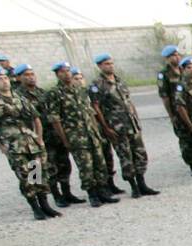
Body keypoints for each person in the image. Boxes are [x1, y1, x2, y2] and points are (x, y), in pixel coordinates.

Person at [0, 66, 60, 219]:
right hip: (13, 144)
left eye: (5, 78)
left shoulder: (19, 97)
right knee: (25, 176)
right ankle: (35, 208)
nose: (4, 82)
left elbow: (35, 117)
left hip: (30, 141)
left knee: (37, 173)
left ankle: (45, 204)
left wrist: (39, 138)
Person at [49, 62, 118, 205]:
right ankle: (91, 194)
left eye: (68, 71)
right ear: (57, 74)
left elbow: (90, 112)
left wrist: (97, 131)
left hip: (91, 133)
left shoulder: (80, 89)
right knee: (85, 166)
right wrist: (65, 139)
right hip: (76, 136)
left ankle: (102, 191)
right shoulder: (55, 93)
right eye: (62, 71)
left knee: (99, 163)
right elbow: (55, 119)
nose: (66, 74)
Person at [13, 63, 80, 207]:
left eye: (32, 74)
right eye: (26, 75)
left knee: (64, 164)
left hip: (54, 136)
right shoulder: (18, 96)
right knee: (45, 168)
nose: (31, 78)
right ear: (18, 78)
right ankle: (55, 196)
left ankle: (67, 193)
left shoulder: (43, 92)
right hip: (35, 140)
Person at [90, 53, 156, 198]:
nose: (110, 66)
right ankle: (134, 186)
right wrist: (106, 128)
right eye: (106, 64)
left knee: (139, 154)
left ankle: (142, 183)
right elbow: (96, 107)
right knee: (126, 157)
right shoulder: (97, 85)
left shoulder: (120, 81)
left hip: (131, 124)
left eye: (111, 63)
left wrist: (137, 120)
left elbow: (129, 101)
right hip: (117, 127)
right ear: (100, 66)